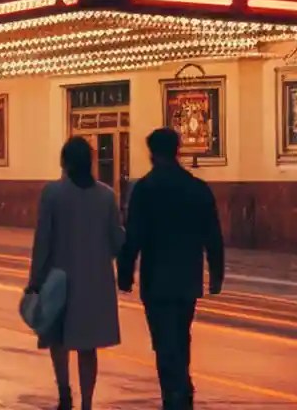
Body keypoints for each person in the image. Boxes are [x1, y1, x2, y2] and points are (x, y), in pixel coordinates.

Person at [118, 128, 225, 410]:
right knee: (181, 334)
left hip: (156, 279)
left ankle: (174, 393)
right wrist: (216, 274)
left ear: (152, 153)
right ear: (177, 150)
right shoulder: (197, 188)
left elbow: (134, 235)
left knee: (163, 341)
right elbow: (213, 235)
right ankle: (182, 387)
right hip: (188, 276)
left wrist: (125, 273)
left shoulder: (145, 189)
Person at [27, 137, 124, 410]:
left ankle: (64, 393)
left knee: (58, 339)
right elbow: (117, 240)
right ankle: (87, 403)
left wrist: (35, 280)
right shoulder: (106, 196)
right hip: (95, 281)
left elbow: (43, 241)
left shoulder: (52, 194)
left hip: (58, 279)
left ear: (64, 162)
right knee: (87, 345)